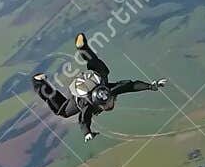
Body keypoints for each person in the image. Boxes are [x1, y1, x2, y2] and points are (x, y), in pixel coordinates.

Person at [33, 32, 164, 140]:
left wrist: (151, 86)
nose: (111, 102)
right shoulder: (89, 104)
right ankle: (39, 83)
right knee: (62, 110)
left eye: (109, 104)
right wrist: (87, 133)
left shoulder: (108, 91)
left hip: (85, 89)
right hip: (81, 92)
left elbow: (130, 86)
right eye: (110, 103)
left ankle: (83, 50)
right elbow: (84, 120)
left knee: (101, 70)